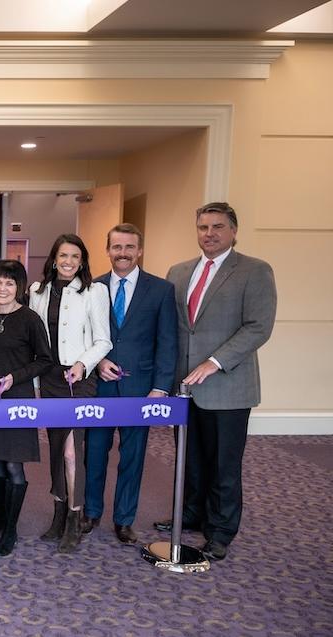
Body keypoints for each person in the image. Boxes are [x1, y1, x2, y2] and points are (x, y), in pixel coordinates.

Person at [156, 202, 276, 561]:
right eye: (203, 227)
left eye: (218, 227)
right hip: (185, 387)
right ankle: (191, 514)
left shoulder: (254, 271)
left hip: (228, 387)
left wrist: (214, 361)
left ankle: (221, 531)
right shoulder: (178, 272)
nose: (209, 234)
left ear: (234, 231)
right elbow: (173, 328)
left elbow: (258, 326)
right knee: (189, 459)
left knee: (224, 465)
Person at [82, 224, 178, 544]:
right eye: (116, 247)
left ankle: (124, 519)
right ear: (107, 250)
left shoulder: (161, 290)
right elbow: (85, 338)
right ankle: (91, 512)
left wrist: (161, 389)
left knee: (133, 456)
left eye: (129, 247)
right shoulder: (92, 288)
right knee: (94, 453)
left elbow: (167, 342)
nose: (122, 253)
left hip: (142, 390)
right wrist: (98, 363)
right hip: (102, 387)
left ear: (139, 251)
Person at [28, 234, 111, 553]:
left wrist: (82, 363)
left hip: (79, 379)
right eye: (63, 255)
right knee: (55, 448)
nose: (68, 261)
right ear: (53, 257)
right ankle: (58, 514)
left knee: (71, 451)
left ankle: (75, 519)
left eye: (75, 257)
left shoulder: (94, 291)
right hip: (49, 379)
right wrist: (35, 384)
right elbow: (34, 342)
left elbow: (104, 341)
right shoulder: (37, 291)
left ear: (82, 261)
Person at [0, 260, 52, 556]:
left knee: (13, 465)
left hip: (18, 401)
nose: (3, 288)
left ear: (19, 288)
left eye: (10, 283)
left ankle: (11, 530)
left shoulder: (30, 319)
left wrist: (15, 377)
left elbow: (45, 360)